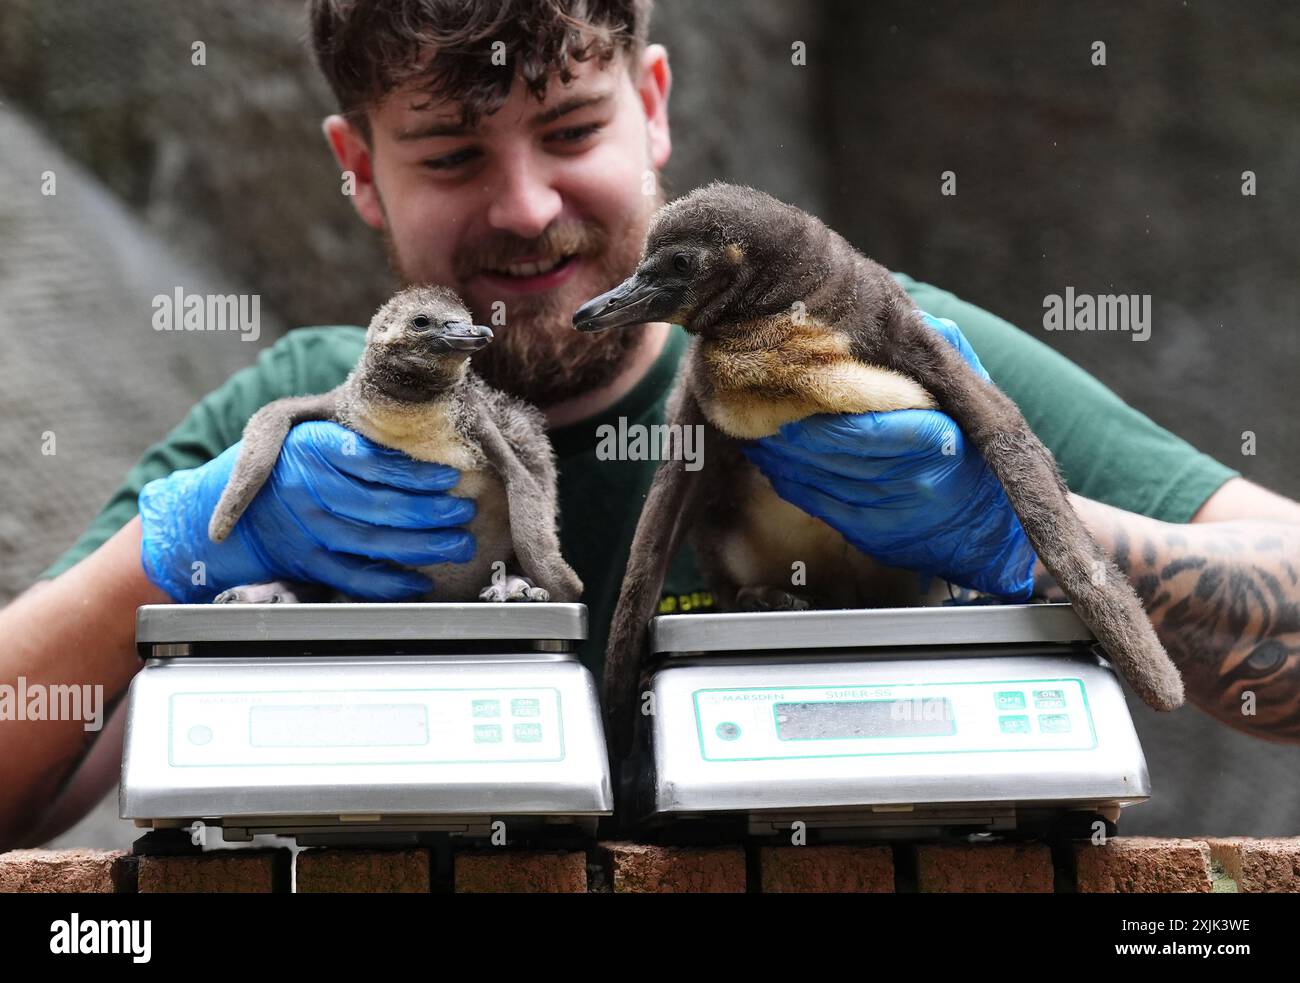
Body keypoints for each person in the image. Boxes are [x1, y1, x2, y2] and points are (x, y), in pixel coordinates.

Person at [2, 0, 1297, 851]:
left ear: (657, 103)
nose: (524, 208)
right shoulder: (283, 426)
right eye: (451, 157)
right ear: (356, 168)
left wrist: (1031, 531)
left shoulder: (864, 350)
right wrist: (170, 560)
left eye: (571, 131)